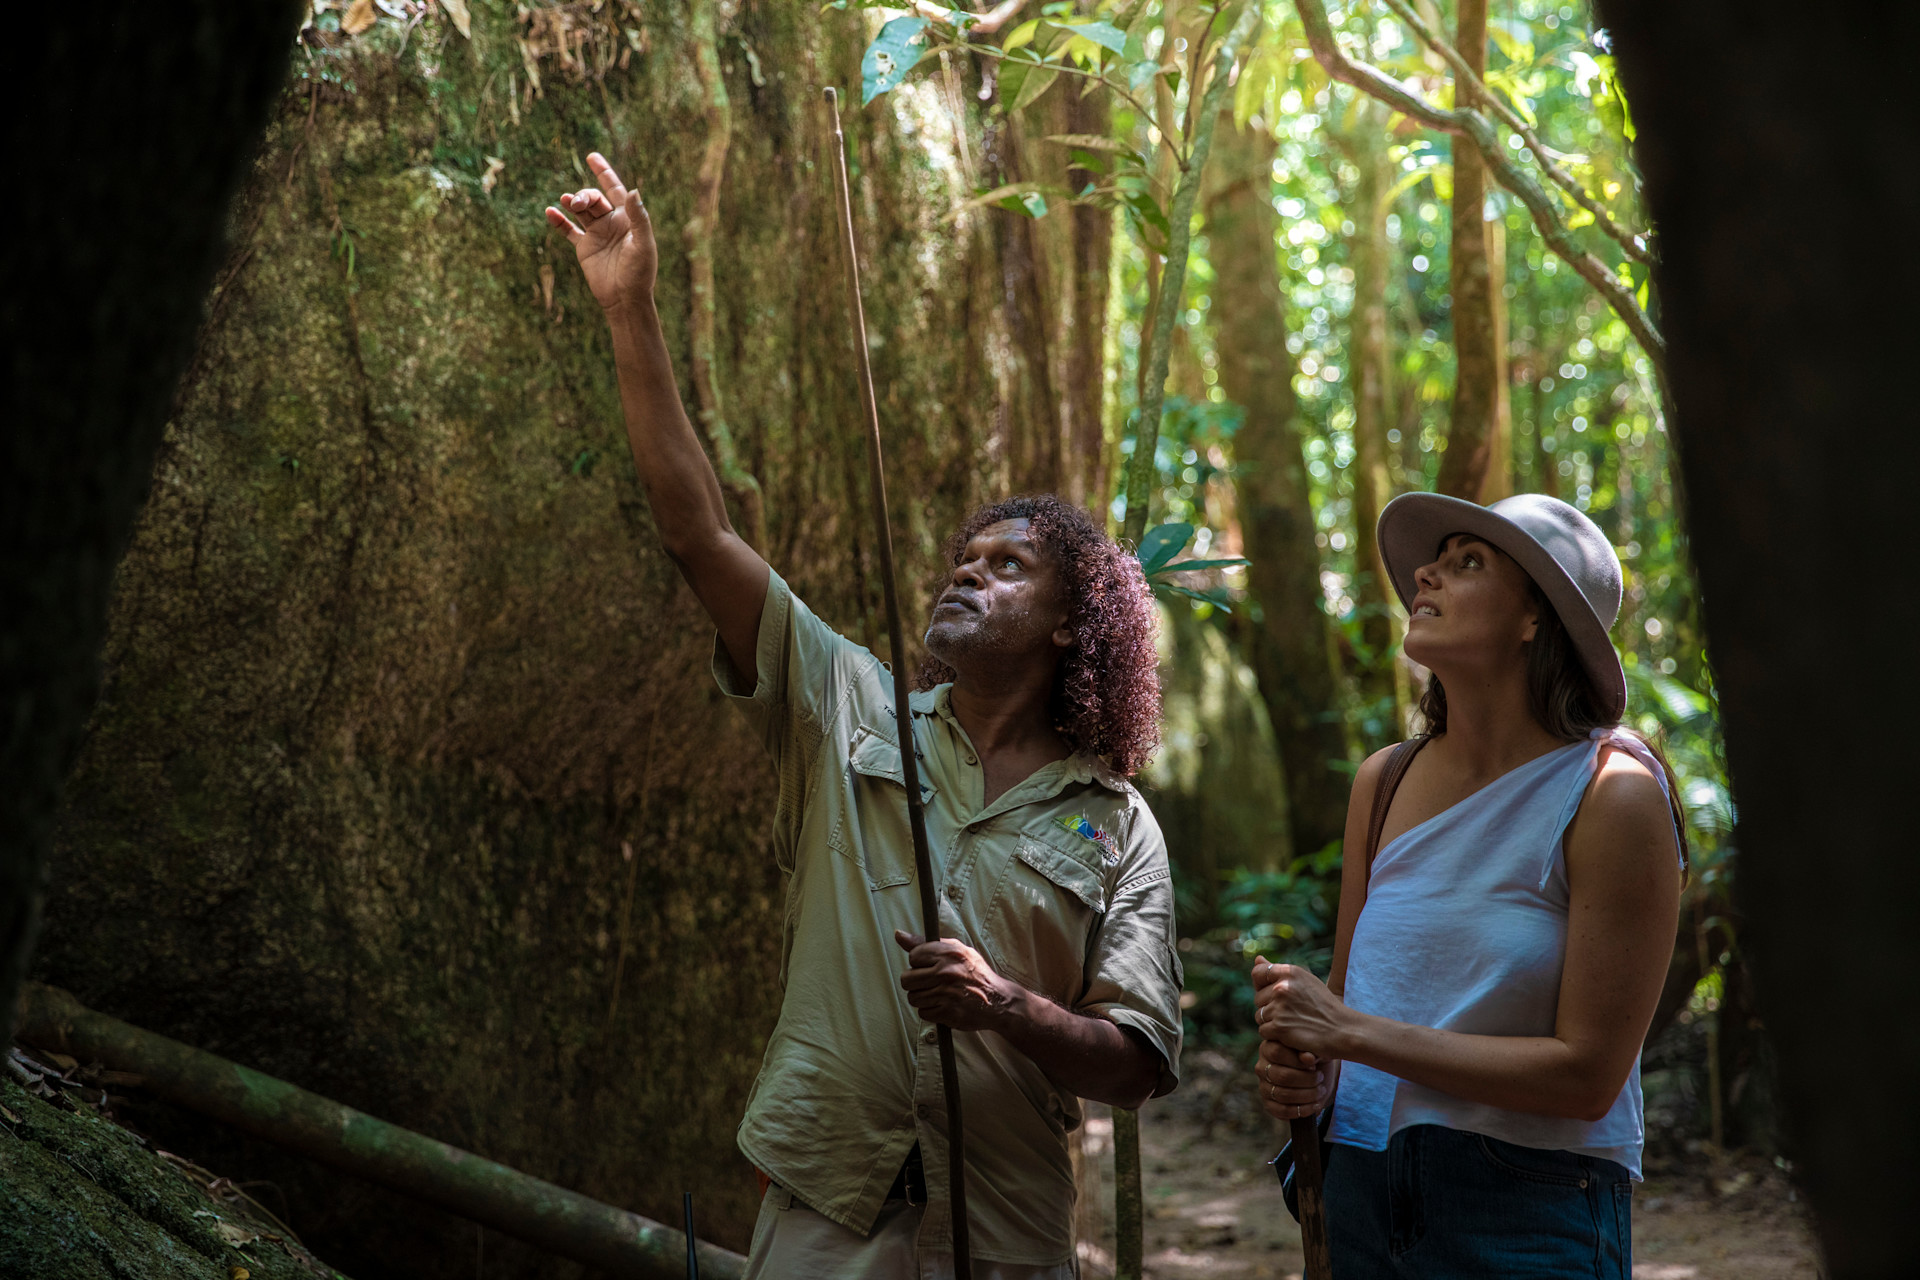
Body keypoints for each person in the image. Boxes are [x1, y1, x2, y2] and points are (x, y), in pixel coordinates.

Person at [545, 154, 1183, 1280]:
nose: (966, 576)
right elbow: (699, 533)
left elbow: (1134, 1060)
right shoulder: (844, 699)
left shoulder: (1118, 823)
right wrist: (631, 309)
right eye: (961, 559)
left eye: (1007, 566)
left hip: (1006, 1228)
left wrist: (1006, 1004)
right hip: (830, 1208)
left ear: (1074, 626)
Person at [1249, 492, 1686, 1277]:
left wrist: (1346, 1031)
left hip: (1524, 1204)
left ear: (1535, 619)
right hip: (1358, 1186)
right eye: (1435, 558)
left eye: (1467, 562)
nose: (1425, 573)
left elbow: (1590, 1075)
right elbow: (1346, 1017)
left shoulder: (1609, 793)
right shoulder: (1384, 781)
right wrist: (1304, 1068)